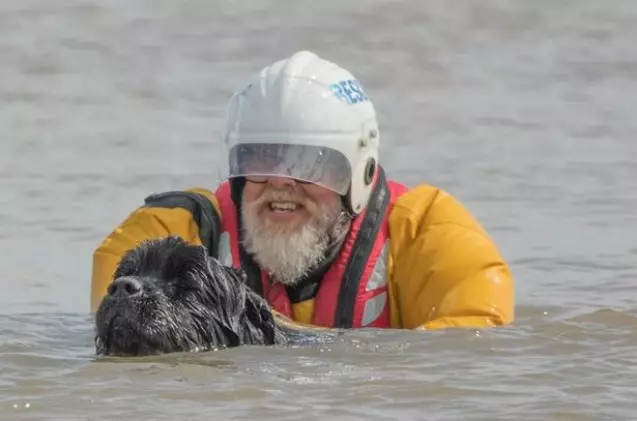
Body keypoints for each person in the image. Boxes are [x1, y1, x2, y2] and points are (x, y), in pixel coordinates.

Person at [90, 50, 514, 330]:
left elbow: (471, 360)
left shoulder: (430, 232)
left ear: (360, 174)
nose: (280, 181)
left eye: (309, 163)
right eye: (260, 158)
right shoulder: (168, 231)